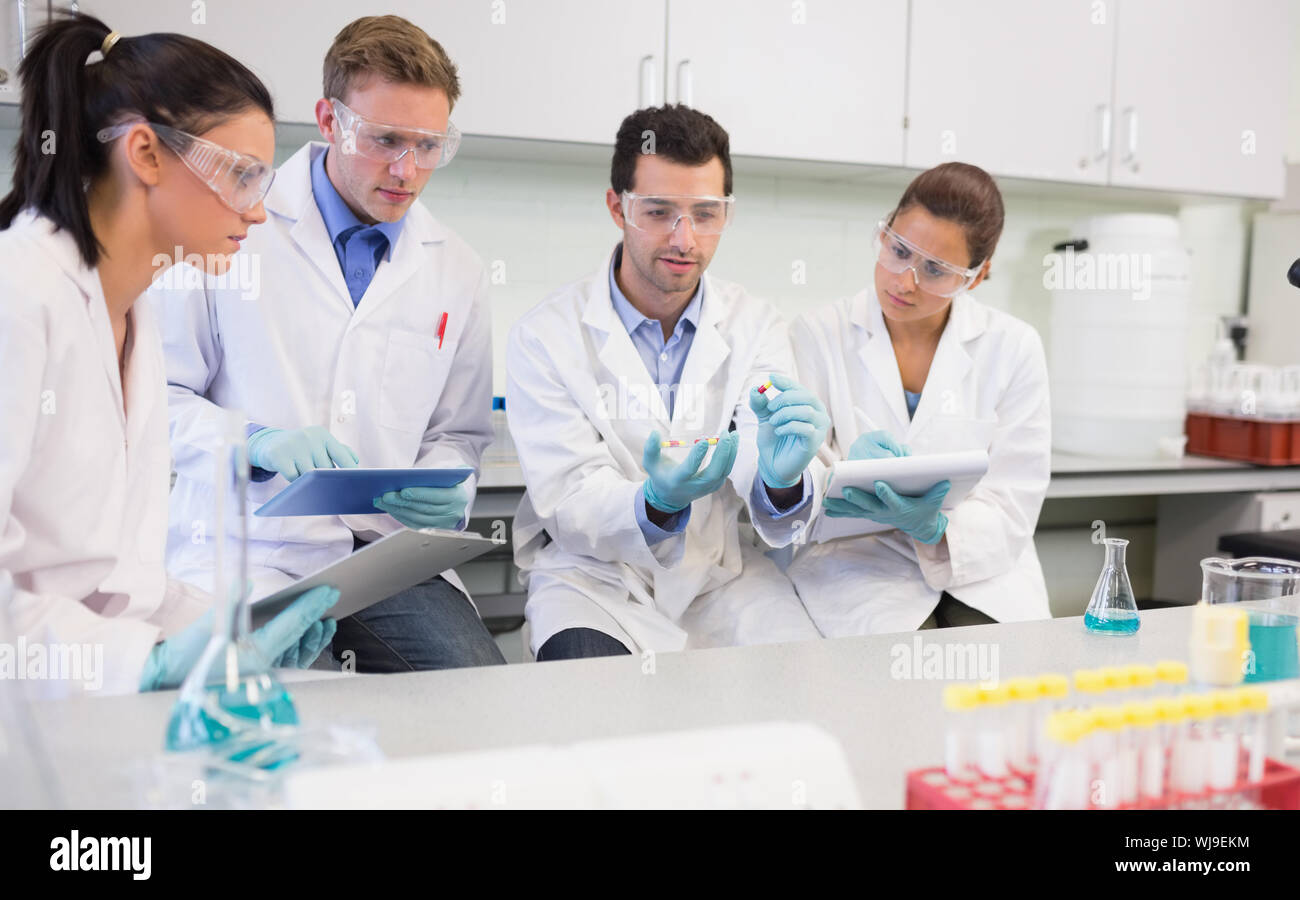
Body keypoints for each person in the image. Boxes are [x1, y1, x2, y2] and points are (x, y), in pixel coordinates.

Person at [149, 16, 505, 673]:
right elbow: (156, 400)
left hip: (385, 561)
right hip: (242, 546)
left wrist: (446, 485)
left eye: (429, 145)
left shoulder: (457, 267)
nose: (407, 170)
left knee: (477, 693)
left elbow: (459, 432)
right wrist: (256, 442)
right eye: (385, 139)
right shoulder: (228, 227)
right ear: (328, 118)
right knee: (228, 700)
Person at [0, 13, 338, 695]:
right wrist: (142, 663)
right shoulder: (19, 295)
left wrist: (230, 630)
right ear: (147, 154)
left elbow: (121, 585)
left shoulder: (132, 314)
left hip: (85, 706)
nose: (255, 212)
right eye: (241, 175)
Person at [507, 104, 830, 660]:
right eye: (658, 211)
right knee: (595, 706)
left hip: (721, 581)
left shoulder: (756, 325)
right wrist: (655, 505)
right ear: (618, 207)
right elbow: (569, 498)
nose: (684, 239)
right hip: (596, 584)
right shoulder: (546, 335)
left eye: (706, 213)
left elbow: (760, 442)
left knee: (804, 687)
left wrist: (780, 479)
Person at [787, 162, 1051, 635]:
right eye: (898, 250)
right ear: (885, 232)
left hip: (983, 570)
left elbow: (1015, 498)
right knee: (904, 681)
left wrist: (936, 528)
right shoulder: (818, 333)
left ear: (977, 275)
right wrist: (834, 478)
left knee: (1003, 676)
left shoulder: (1013, 347)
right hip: (859, 566)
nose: (904, 281)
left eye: (935, 269)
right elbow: (798, 480)